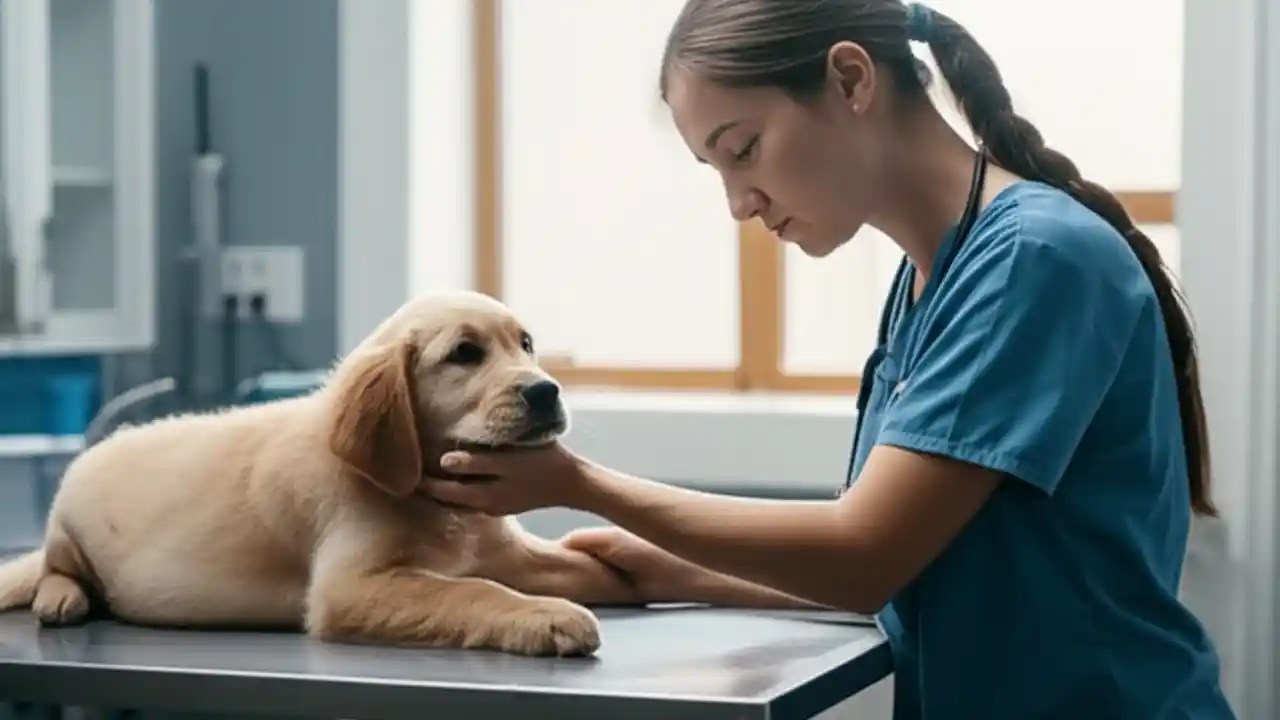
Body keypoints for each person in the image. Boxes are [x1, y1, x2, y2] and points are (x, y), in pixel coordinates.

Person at [425, 1, 1235, 717]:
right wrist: (655, 569)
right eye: (716, 170)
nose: (738, 203)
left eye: (742, 150)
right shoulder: (926, 284)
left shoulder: (1035, 262)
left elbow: (862, 558)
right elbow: (910, 569)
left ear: (850, 79)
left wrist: (580, 484)